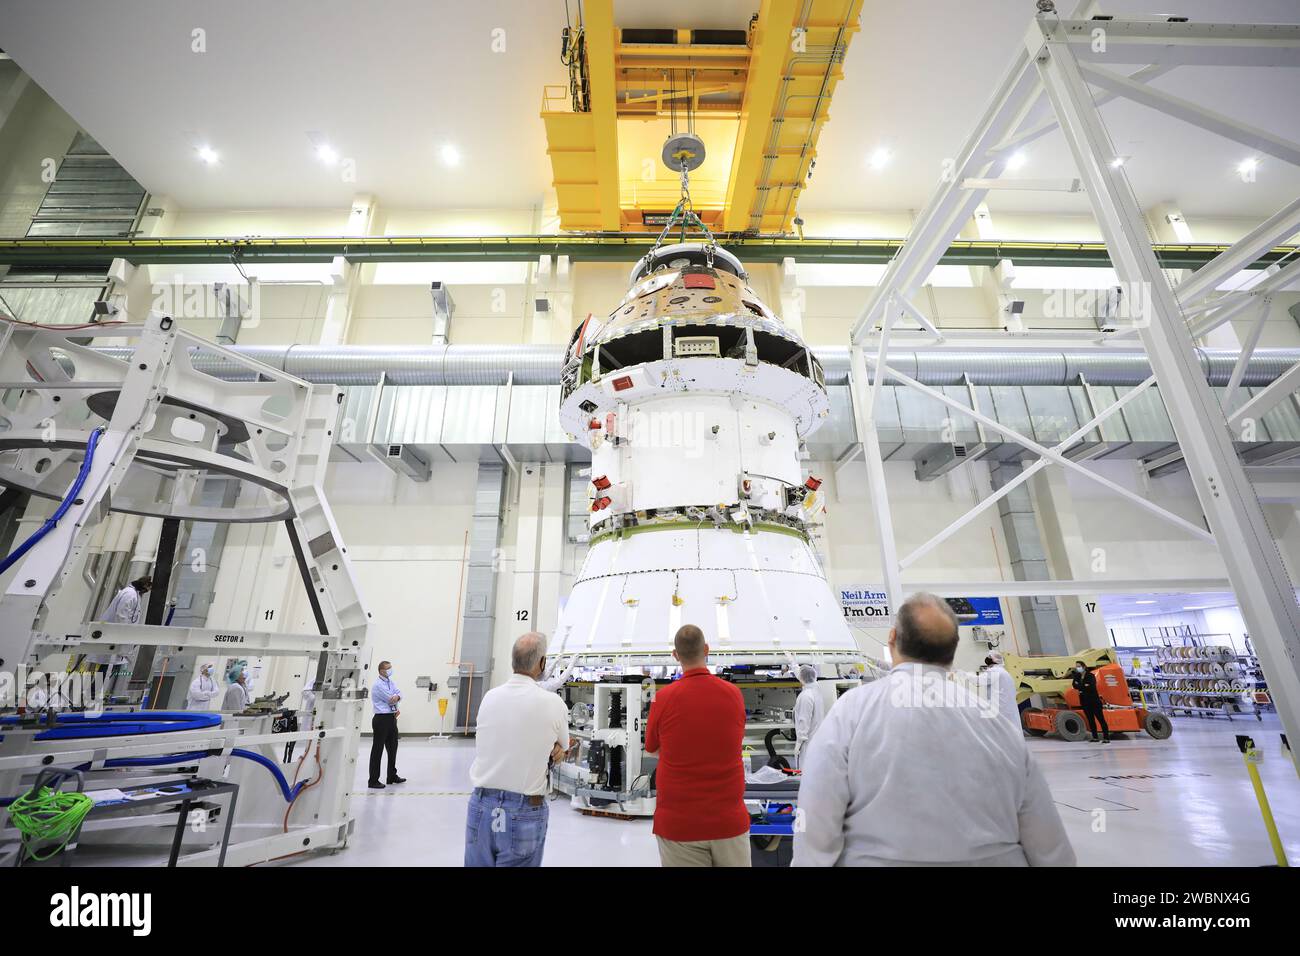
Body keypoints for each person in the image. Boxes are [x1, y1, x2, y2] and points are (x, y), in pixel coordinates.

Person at [793, 592, 1075, 867]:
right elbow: (1050, 847)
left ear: (892, 638)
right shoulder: (997, 723)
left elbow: (816, 826)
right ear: (953, 648)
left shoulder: (851, 711)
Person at [645, 624, 750, 868]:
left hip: (679, 825)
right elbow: (733, 739)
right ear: (706, 650)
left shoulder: (663, 698)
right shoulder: (734, 694)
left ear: (675, 655)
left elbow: (652, 748)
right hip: (728, 822)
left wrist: (678, 752)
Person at [465, 632, 572, 867]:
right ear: (542, 663)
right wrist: (555, 746)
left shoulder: (489, 698)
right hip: (524, 811)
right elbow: (564, 747)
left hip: (481, 806)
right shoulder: (552, 703)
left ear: (513, 661)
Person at [368, 661, 405, 788]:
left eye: (390, 667)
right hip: (381, 719)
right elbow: (390, 699)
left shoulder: (390, 682)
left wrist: (397, 697)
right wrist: (396, 697)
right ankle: (373, 780)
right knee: (377, 750)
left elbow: (399, 693)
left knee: (393, 747)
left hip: (391, 717)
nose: (390, 670)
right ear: (381, 671)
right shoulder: (378, 685)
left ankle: (391, 776)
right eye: (388, 668)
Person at [978, 651, 1021, 733]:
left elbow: (978, 681)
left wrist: (962, 674)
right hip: (1007, 708)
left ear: (993, 660)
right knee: (1010, 731)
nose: (987, 659)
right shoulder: (1004, 672)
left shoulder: (994, 671)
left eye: (989, 657)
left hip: (1000, 708)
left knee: (1000, 731)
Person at [793, 663, 825, 767]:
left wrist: (799, 742)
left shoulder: (806, 696)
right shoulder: (816, 690)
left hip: (807, 742)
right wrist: (793, 662)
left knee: (806, 771)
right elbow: (803, 674)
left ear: (802, 678)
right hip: (815, 738)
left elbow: (804, 720)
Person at [1072, 660, 1111, 744]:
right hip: (1084, 702)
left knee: (1101, 719)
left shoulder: (1090, 676)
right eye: (1076, 666)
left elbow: (1091, 687)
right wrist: (1084, 685)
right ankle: (1095, 737)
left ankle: (1106, 737)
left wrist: (1080, 686)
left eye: (1079, 666)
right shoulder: (1077, 676)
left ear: (1084, 666)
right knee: (1090, 720)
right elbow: (1074, 685)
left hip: (1094, 701)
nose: (1077, 668)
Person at [286, 677, 317, 762]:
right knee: (311, 742)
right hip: (313, 712)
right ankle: (308, 760)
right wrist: (315, 699)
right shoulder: (317, 677)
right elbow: (305, 691)